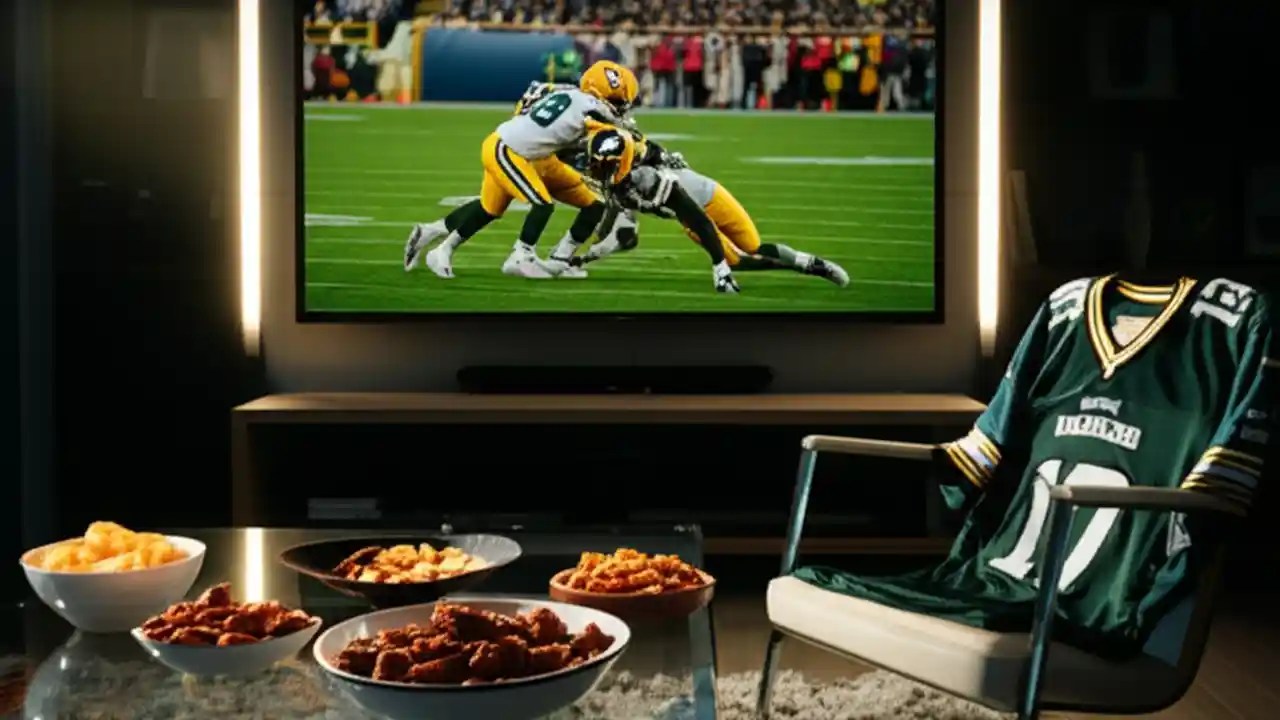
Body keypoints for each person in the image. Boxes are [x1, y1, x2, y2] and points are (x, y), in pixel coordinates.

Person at [402, 61, 639, 280]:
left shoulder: (569, 93)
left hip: (533, 154)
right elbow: (607, 129)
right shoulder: (589, 105)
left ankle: (434, 238)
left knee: (490, 208)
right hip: (509, 150)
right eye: (618, 102)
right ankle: (520, 256)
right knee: (541, 204)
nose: (621, 108)